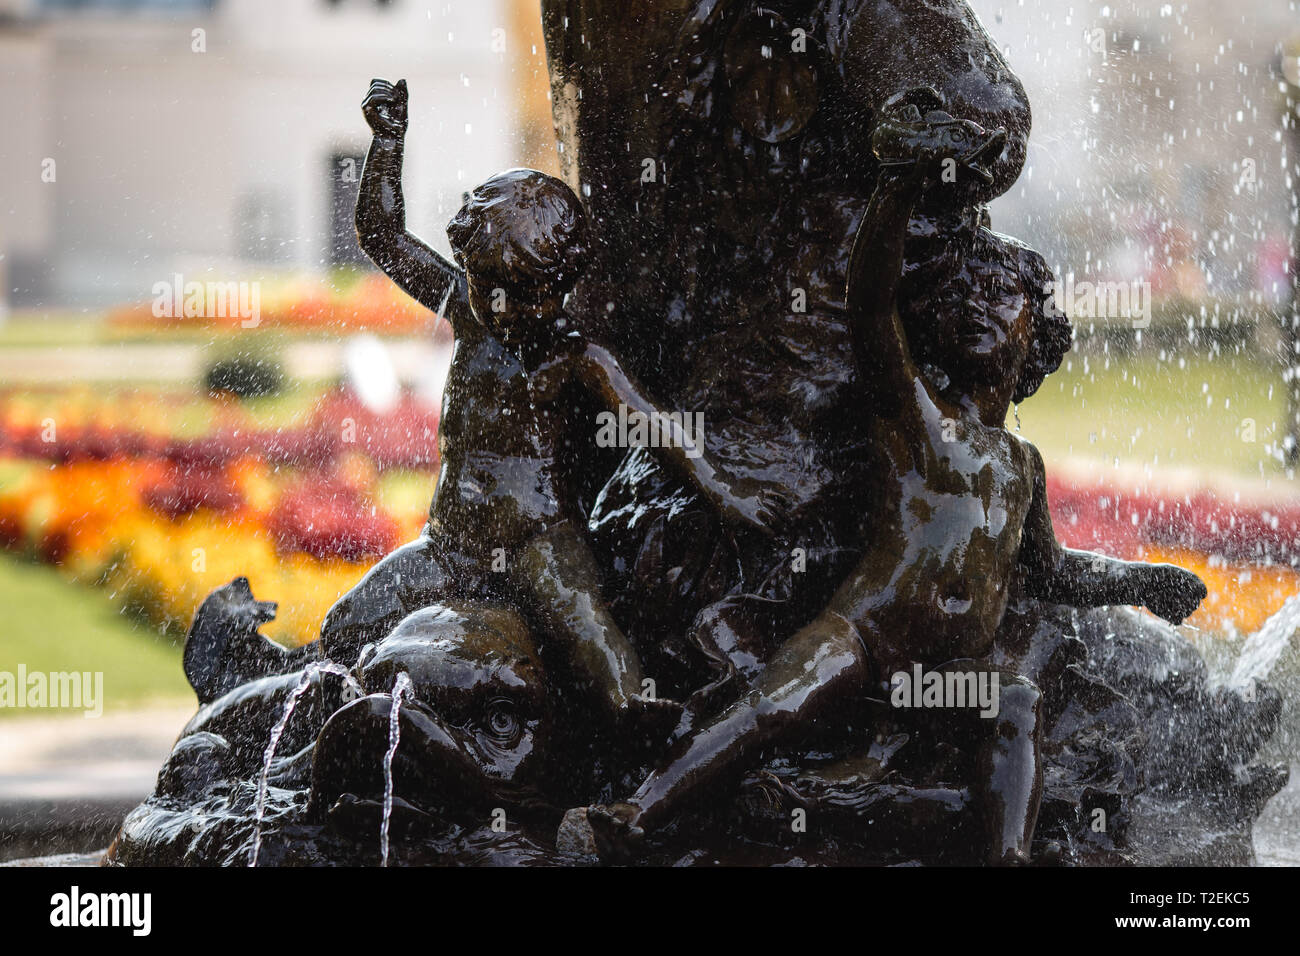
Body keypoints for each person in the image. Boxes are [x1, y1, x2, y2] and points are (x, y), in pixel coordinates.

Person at [580, 99, 1208, 864]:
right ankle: (639, 809)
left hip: (940, 678)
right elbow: (870, 298)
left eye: (1001, 294)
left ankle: (1006, 856)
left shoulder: (1020, 466)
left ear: (1035, 332)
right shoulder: (911, 412)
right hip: (866, 641)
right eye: (965, 293)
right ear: (935, 318)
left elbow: (1051, 573)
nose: (980, 304)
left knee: (1015, 704)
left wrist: (1141, 583)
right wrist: (900, 184)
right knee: (779, 703)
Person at [324, 79, 781, 733]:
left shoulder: (579, 359)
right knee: (342, 627)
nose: (500, 310)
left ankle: (647, 729)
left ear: (555, 288)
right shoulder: (466, 309)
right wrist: (389, 140)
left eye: (517, 297)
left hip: (541, 544)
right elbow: (381, 236)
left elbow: (658, 431)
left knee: (595, 643)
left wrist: (728, 494)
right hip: (453, 544)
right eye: (486, 292)